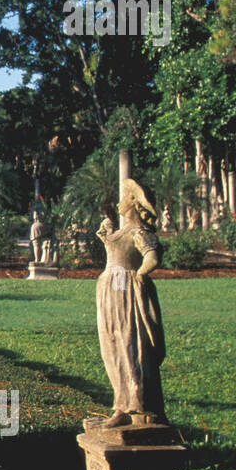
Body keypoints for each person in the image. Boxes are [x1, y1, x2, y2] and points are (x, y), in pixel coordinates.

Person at [96, 179, 168, 428]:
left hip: (125, 295)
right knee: (113, 349)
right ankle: (121, 404)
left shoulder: (140, 232)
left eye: (124, 196)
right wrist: (107, 237)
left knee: (130, 348)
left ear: (135, 203)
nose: (119, 201)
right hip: (112, 293)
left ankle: (136, 406)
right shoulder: (124, 231)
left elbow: (152, 257)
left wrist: (137, 275)